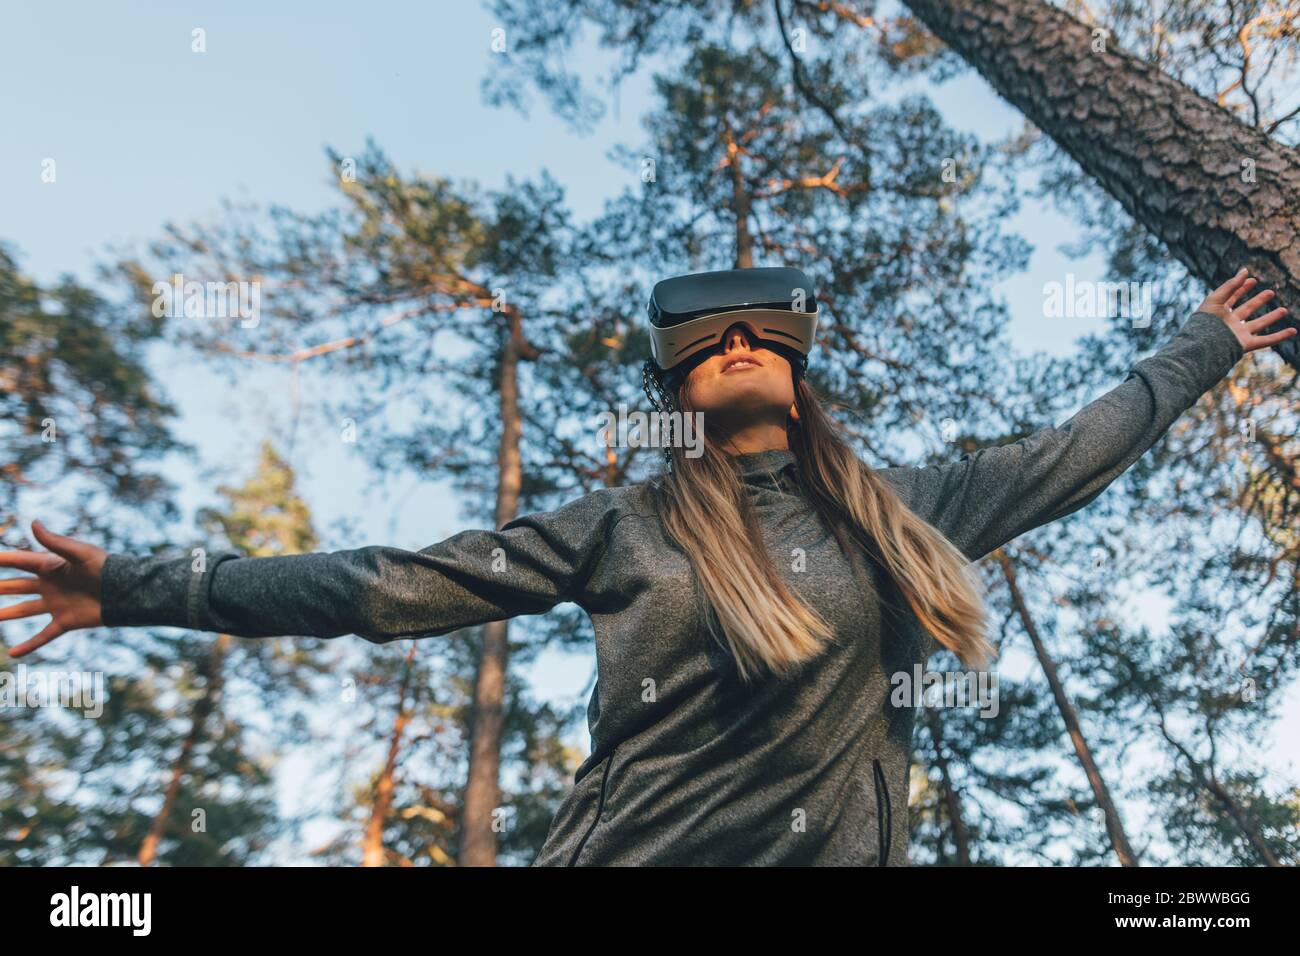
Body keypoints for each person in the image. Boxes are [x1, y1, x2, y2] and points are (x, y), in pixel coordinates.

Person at [1, 266, 1291, 866]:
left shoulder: (906, 512)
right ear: (674, 377)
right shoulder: (625, 524)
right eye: (708, 332)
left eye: (764, 326)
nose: (738, 337)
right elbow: (381, 587)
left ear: (798, 367)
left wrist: (1207, 342)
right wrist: (138, 587)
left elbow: (1083, 444)